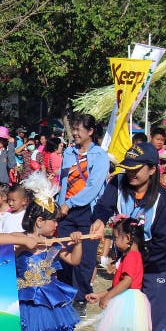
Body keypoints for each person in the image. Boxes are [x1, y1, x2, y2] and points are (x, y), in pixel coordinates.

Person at [90, 143, 166, 331]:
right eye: (127, 168)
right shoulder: (117, 184)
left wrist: (133, 260)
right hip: (128, 263)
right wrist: (98, 221)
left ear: (152, 169)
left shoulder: (162, 201)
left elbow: (162, 243)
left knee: (154, 319)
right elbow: (104, 208)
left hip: (156, 267)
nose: (130, 174)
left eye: (136, 169)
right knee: (128, 317)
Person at [0, 172, 84, 331]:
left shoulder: (54, 243)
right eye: (54, 220)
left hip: (49, 299)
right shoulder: (22, 238)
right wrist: (25, 242)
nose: (57, 225)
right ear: (40, 221)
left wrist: (78, 243)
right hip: (25, 298)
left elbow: (74, 260)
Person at [86, 217, 152, 331]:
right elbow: (117, 282)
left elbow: (128, 282)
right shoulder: (126, 257)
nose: (114, 241)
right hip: (121, 300)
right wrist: (100, 294)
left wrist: (108, 296)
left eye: (116, 238)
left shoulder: (133, 256)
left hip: (128, 301)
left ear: (128, 238)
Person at [56, 114, 110, 317]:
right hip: (66, 211)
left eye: (79, 129)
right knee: (63, 251)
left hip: (87, 211)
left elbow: (94, 187)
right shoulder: (69, 153)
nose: (75, 133)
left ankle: (81, 299)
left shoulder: (100, 156)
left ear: (90, 132)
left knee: (85, 257)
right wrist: (60, 203)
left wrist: (69, 203)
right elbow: (63, 182)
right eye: (74, 129)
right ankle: (64, 294)